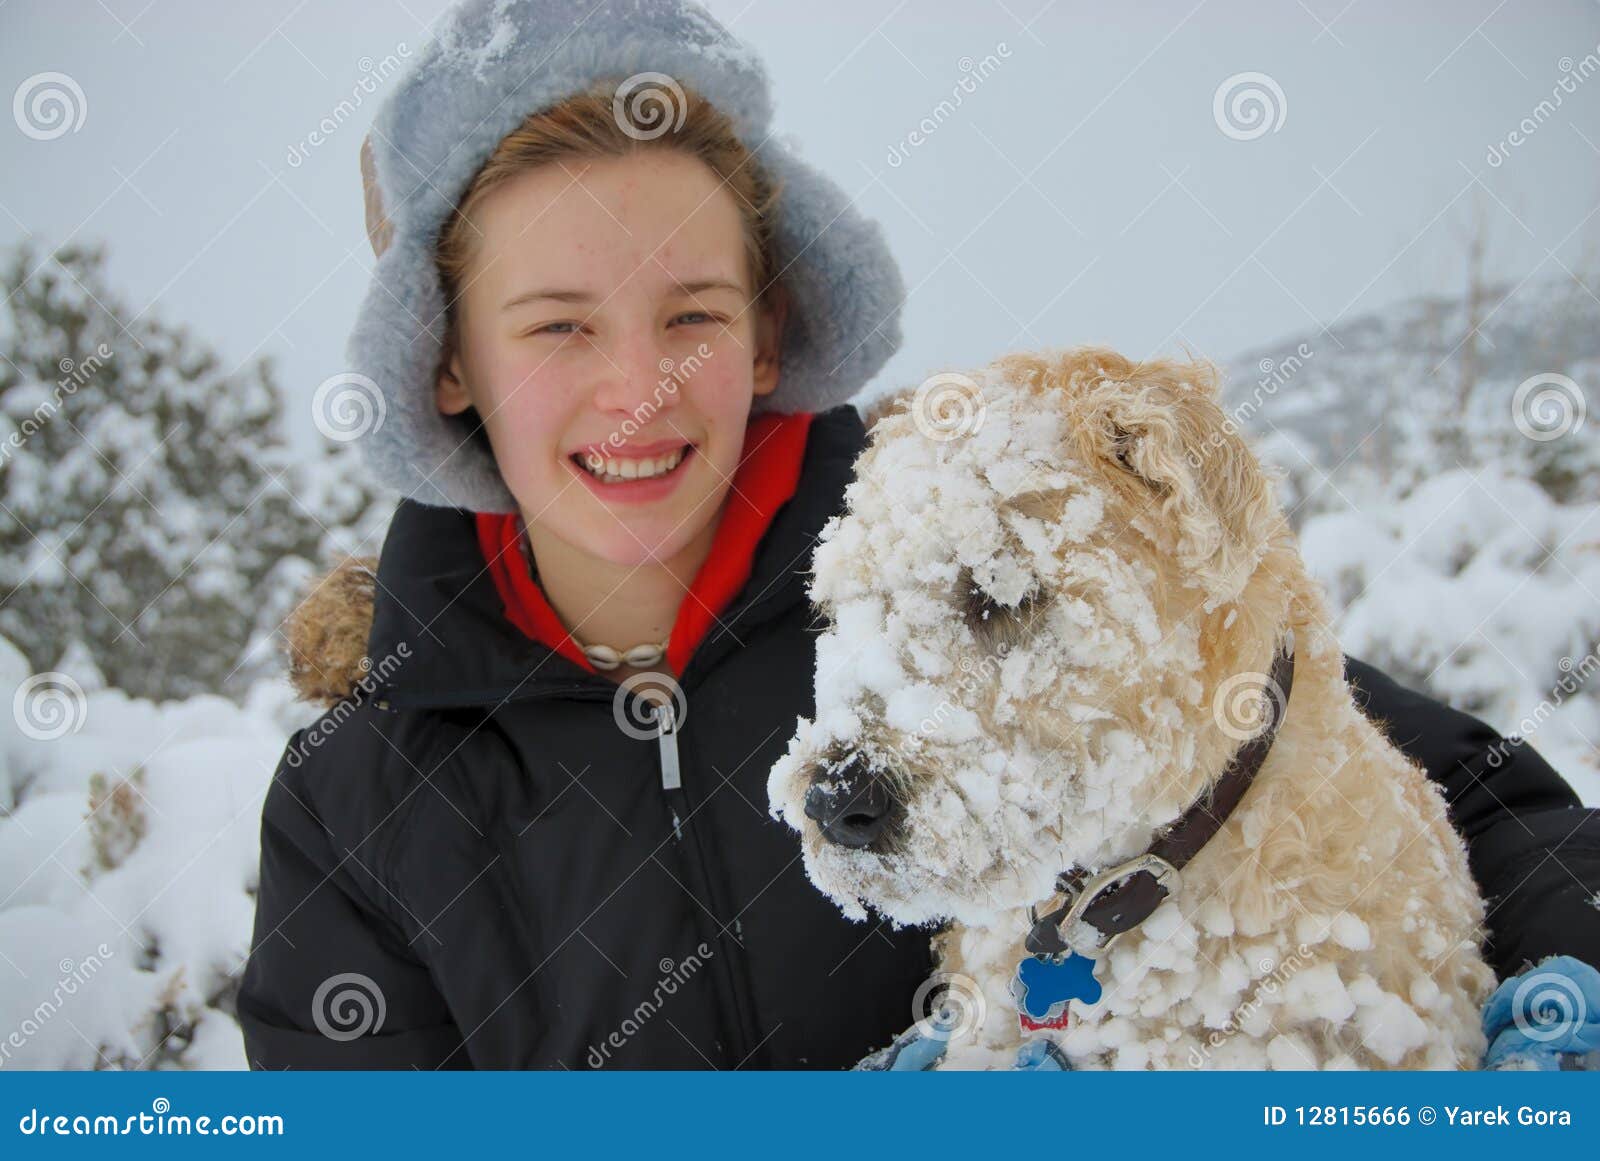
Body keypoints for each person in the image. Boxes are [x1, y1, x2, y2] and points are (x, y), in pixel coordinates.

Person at [236, 0, 1600, 1070]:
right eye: (558, 326)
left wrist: (1564, 1011)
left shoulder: (963, 556)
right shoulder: (357, 805)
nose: (638, 387)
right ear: (447, 360)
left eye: (694, 312)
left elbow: (1464, 799)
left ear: (772, 329)